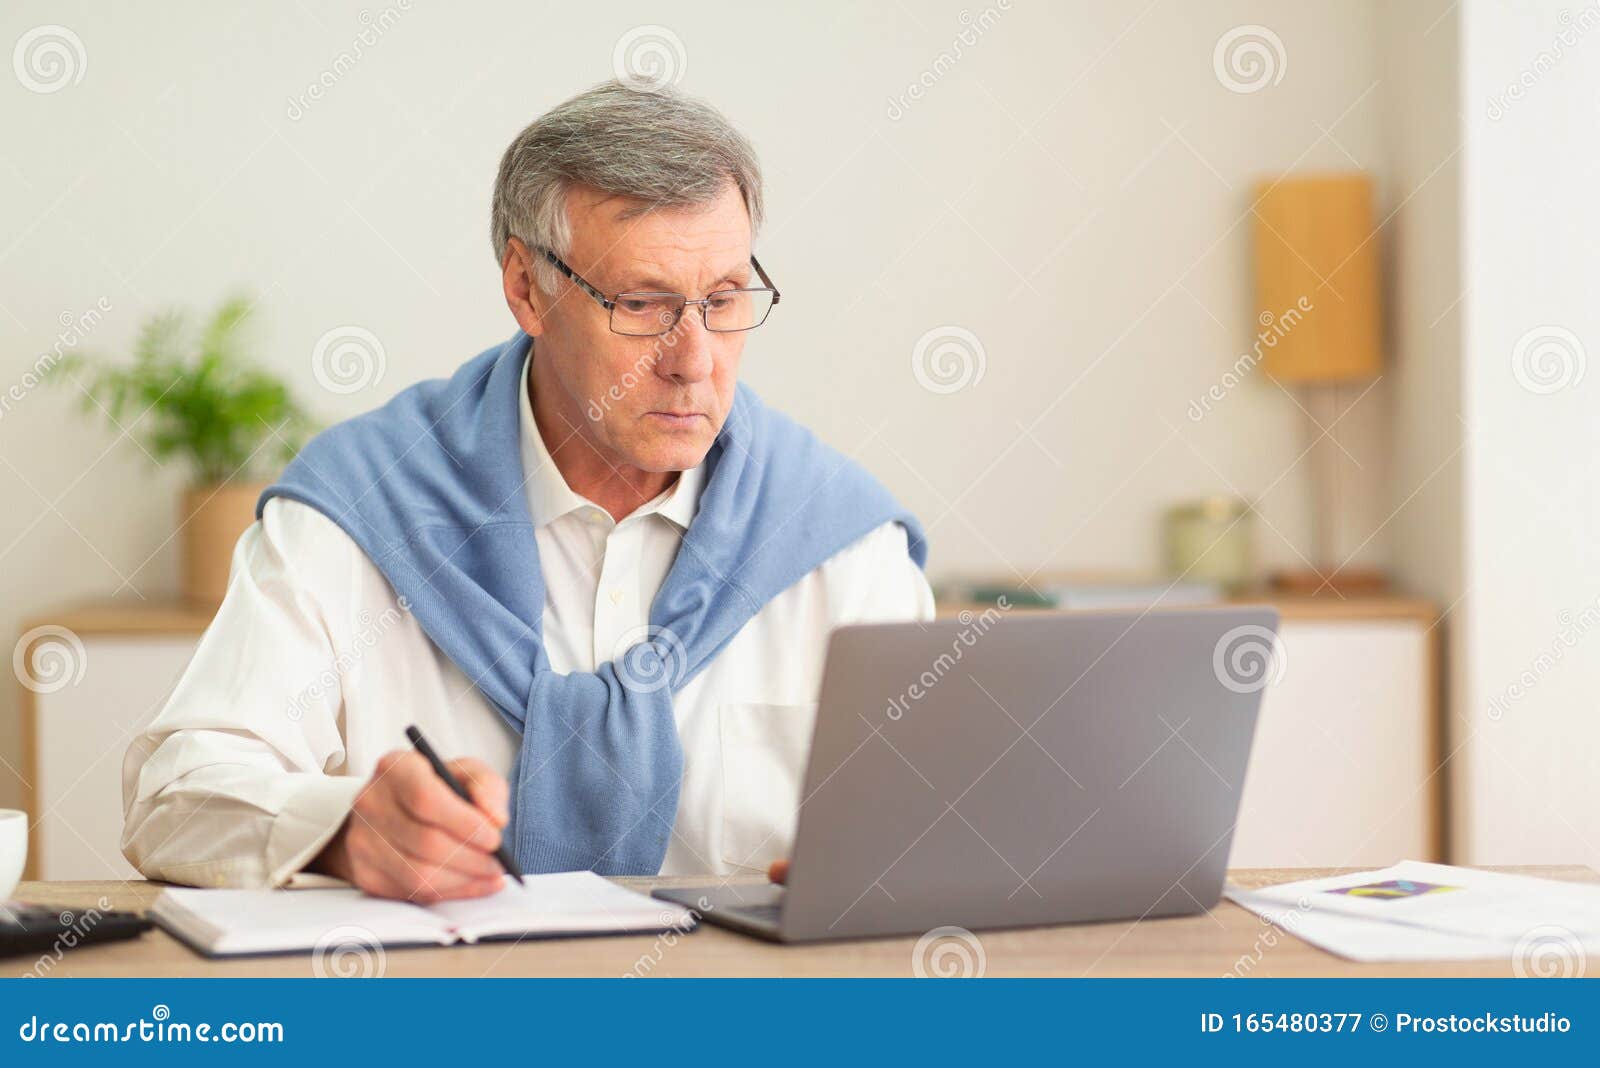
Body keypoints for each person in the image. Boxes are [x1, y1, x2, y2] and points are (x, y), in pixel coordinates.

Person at [121, 81, 932, 902]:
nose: (694, 360)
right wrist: (340, 830)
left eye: (722, 301)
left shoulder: (845, 546)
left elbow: (943, 831)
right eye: (644, 304)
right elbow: (174, 798)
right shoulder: (360, 510)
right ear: (526, 289)